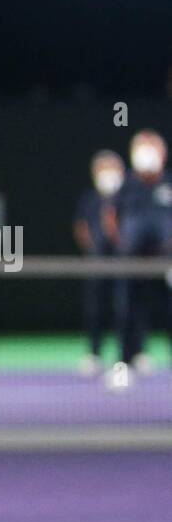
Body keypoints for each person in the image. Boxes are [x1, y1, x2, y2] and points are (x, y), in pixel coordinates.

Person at [109, 129, 172, 388]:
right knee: (127, 313)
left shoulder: (168, 183)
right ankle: (124, 367)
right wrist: (121, 243)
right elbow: (111, 214)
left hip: (164, 264)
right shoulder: (128, 184)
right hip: (133, 263)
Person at [74, 150, 127, 377]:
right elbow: (81, 227)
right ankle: (94, 354)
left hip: (123, 263)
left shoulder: (126, 197)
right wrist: (92, 250)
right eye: (102, 168)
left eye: (111, 167)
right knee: (95, 309)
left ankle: (128, 356)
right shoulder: (89, 199)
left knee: (125, 308)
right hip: (96, 263)